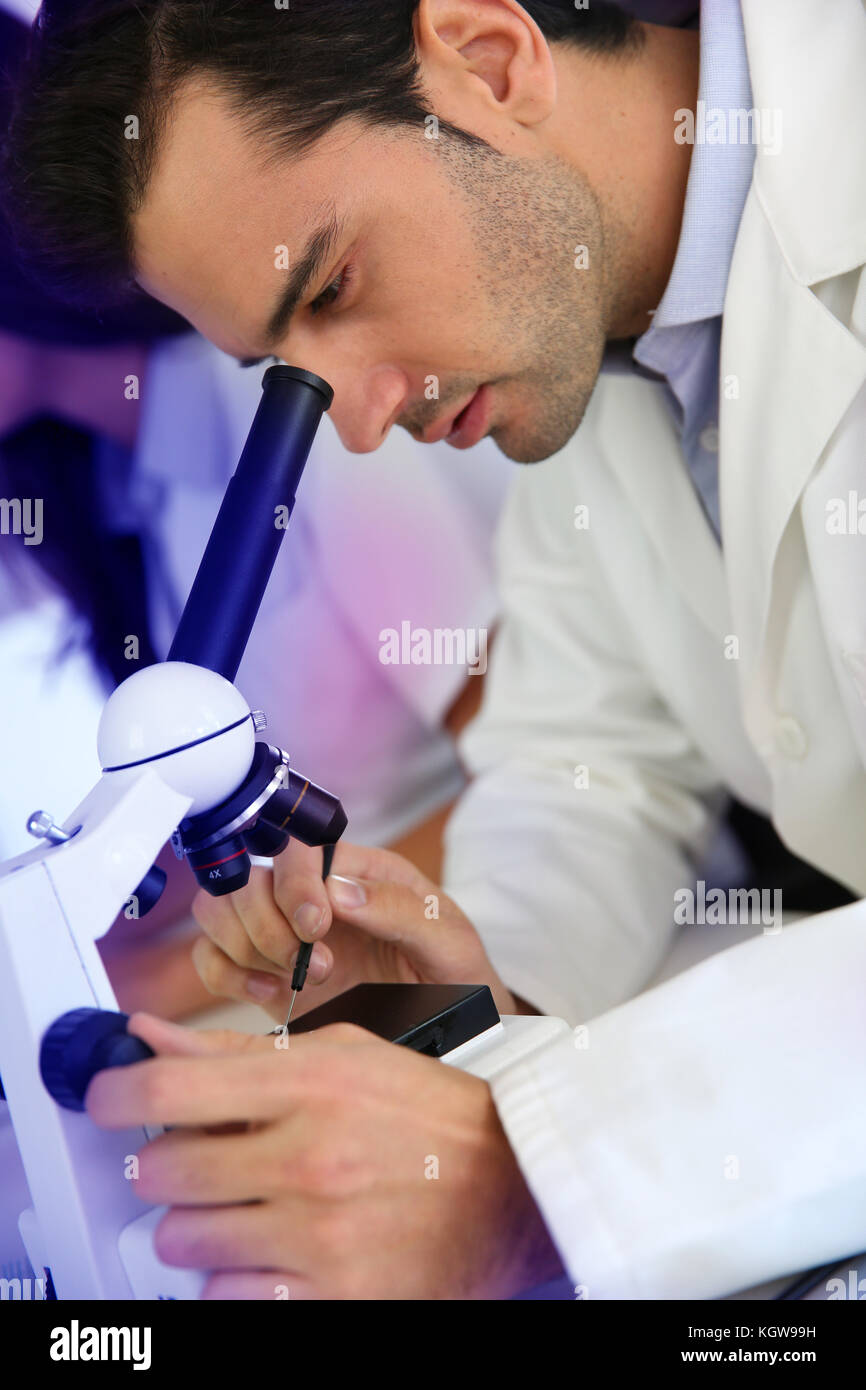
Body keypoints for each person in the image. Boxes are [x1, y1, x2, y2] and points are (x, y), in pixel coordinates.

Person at [3, 0, 865, 1300]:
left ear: (488, 58)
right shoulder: (596, 343)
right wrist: (457, 991)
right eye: (281, 364)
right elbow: (585, 769)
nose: (353, 429)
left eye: (333, 285)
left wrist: (540, 1165)